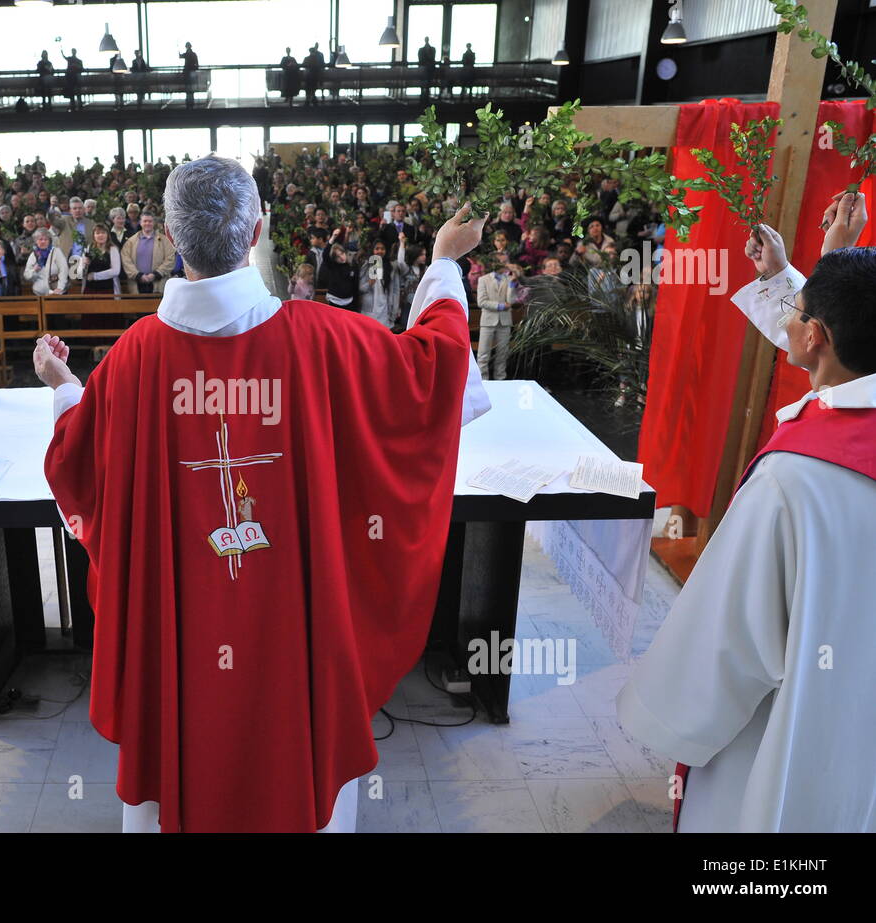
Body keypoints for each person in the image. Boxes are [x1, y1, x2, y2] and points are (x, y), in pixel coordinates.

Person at [34, 155, 490, 833]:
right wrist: (445, 262)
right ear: (255, 235)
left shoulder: (131, 361)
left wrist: (63, 386)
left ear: (171, 239)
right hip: (294, 647)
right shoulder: (327, 342)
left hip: (182, 656)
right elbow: (432, 375)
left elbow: (80, 460)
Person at [618, 192, 876, 832]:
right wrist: (806, 271)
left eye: (799, 311)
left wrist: (668, 711)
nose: (790, 318)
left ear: (815, 334)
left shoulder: (795, 479)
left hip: (787, 741)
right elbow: (843, 339)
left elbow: (725, 642)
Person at [475, 253, 520, 380]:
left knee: (502, 354)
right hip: (488, 321)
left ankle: (500, 379)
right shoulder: (483, 279)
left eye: (506, 261)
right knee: (483, 354)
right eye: (502, 261)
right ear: (494, 263)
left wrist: (512, 284)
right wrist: (500, 306)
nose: (505, 264)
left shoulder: (509, 279)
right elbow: (481, 302)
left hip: (505, 321)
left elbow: (511, 301)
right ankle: (482, 381)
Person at [120, 210, 175, 294]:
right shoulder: (131, 242)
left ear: (154, 223)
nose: (147, 223)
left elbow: (170, 259)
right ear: (140, 223)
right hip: (137, 283)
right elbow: (126, 260)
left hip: (158, 283)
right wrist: (138, 275)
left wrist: (155, 274)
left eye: (150, 221)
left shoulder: (164, 240)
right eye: (145, 221)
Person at [23, 226, 69, 295]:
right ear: (36, 241)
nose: (43, 241)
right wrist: (34, 270)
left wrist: (60, 287)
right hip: (38, 294)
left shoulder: (56, 252)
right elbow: (26, 275)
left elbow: (64, 270)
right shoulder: (33, 255)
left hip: (56, 293)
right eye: (40, 239)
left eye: (46, 239)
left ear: (49, 241)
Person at [179, 41, 199, 108]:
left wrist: (178, 50)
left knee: (188, 87)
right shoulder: (194, 54)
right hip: (192, 72)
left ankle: (188, 102)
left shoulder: (186, 54)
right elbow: (197, 63)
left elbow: (180, 56)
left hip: (187, 73)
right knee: (191, 88)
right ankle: (191, 102)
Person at [417, 37, 436, 101]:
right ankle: (424, 96)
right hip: (426, 69)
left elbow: (421, 59)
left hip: (428, 69)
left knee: (426, 83)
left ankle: (424, 96)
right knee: (425, 83)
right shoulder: (431, 49)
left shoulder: (422, 50)